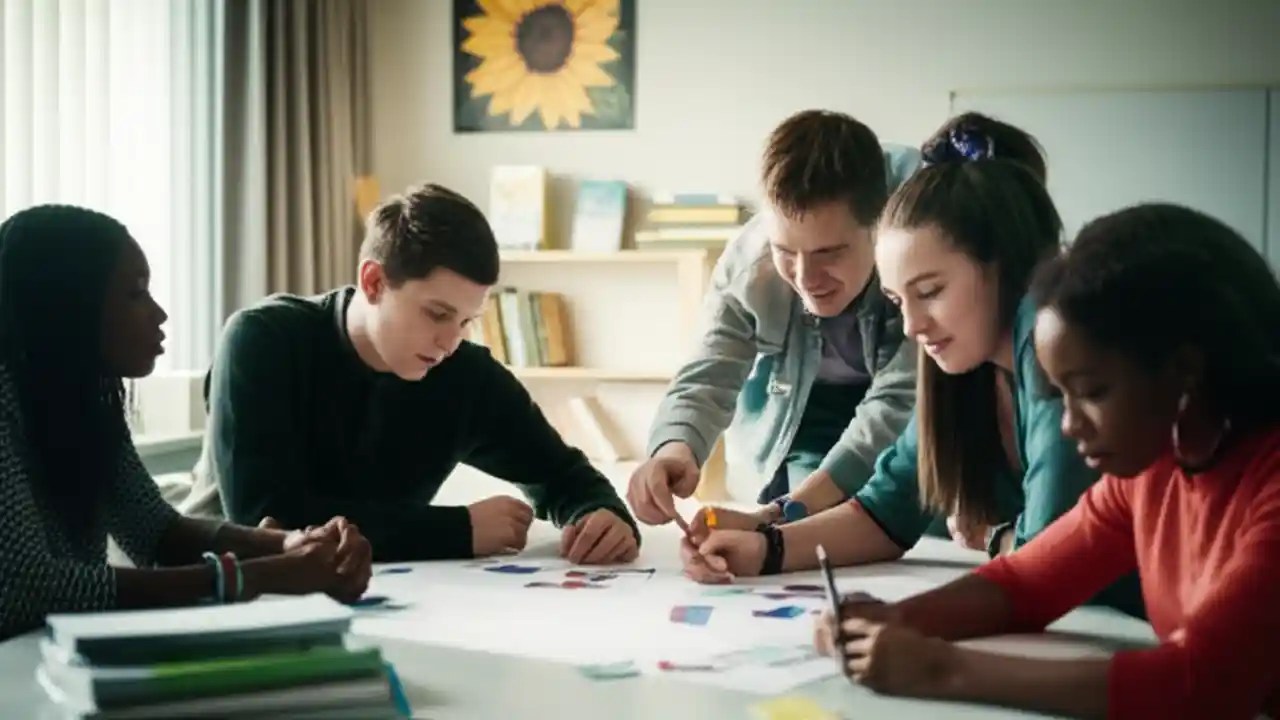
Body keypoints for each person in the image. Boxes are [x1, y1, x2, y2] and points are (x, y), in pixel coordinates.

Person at [814, 203, 1280, 720]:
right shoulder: (1153, 469)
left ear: (1184, 370)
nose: (1069, 425)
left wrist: (940, 669)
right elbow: (1027, 583)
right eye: (1060, 396)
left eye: (1093, 392)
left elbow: (1201, 684)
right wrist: (896, 621)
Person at [681, 120, 1143, 618]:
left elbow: (1045, 562)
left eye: (929, 292)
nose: (912, 326)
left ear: (1001, 264)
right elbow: (884, 510)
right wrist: (765, 545)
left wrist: (989, 543)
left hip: (1146, 626)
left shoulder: (1052, 343)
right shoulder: (962, 364)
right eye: (898, 300)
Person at [185, 183, 639, 564]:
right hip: (217, 587)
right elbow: (264, 521)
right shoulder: (262, 340)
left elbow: (564, 475)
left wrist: (602, 515)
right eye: (437, 314)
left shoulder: (465, 374)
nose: (450, 342)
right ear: (374, 282)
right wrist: (457, 530)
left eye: (467, 321)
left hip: (376, 595)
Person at [0, 205, 372, 641]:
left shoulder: (83, 399)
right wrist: (259, 576)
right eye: (136, 294)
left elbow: (156, 532)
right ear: (67, 306)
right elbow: (27, 590)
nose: (159, 314)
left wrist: (291, 544)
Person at [627, 109, 921, 536]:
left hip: (917, 413)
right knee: (820, 521)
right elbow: (708, 373)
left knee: (915, 516)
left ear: (878, 228)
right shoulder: (748, 265)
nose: (805, 278)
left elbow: (899, 400)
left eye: (828, 254)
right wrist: (674, 449)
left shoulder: (919, 245)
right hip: (805, 410)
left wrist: (780, 514)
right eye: (785, 251)